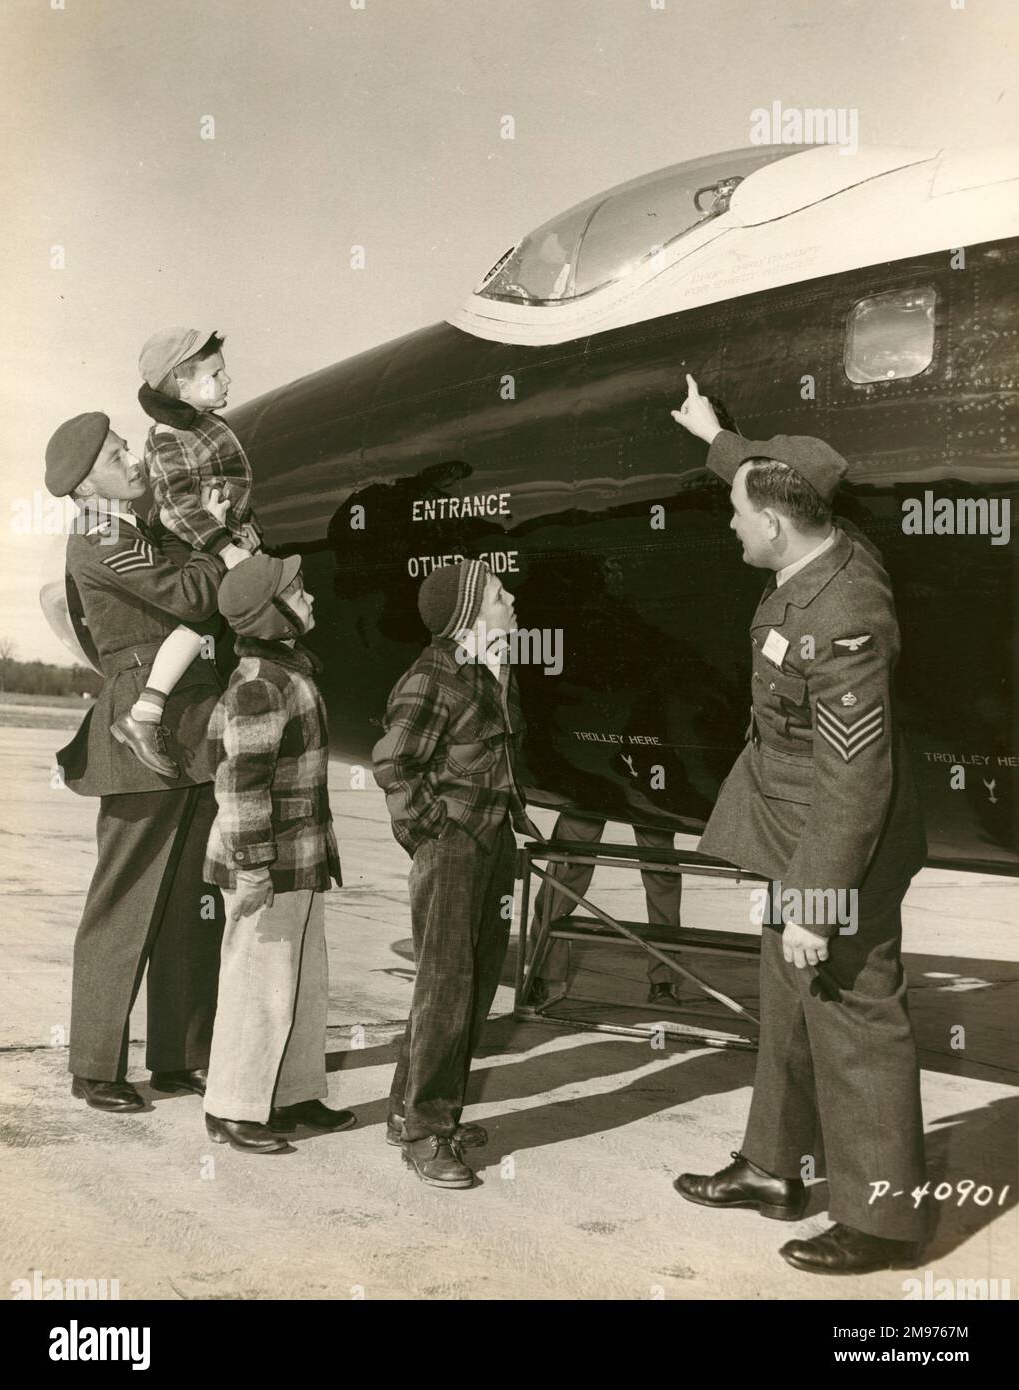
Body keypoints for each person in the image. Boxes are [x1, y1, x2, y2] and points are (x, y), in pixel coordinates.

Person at [669, 375, 929, 1275]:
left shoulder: (845, 618)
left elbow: (858, 780)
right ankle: (775, 1169)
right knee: (787, 1000)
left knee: (855, 1012)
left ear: (777, 527)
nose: (731, 523)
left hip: (839, 841)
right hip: (792, 824)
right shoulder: (821, 535)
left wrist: (818, 903)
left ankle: (885, 1220)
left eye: (738, 515)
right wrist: (718, 439)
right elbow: (761, 475)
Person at [45, 412, 233, 1113]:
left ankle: (180, 1056)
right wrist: (215, 542)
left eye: (128, 450)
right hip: (139, 735)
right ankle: (94, 1065)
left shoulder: (135, 531)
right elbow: (190, 596)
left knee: (191, 903)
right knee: (125, 901)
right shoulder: (100, 540)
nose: (135, 462)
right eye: (120, 455)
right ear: (87, 478)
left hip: (189, 729)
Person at [373, 559, 541, 1189]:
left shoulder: (495, 667)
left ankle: (405, 1108)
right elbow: (394, 764)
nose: (512, 598)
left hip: (492, 843)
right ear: (470, 614)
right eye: (500, 593)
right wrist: (433, 834)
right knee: (446, 986)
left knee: (470, 983)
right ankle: (427, 1132)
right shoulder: (432, 676)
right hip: (454, 848)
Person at [201, 554, 354, 1154]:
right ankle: (233, 1107)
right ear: (273, 616)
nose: (311, 595)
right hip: (266, 863)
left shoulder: (289, 672)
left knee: (302, 983)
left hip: (301, 861)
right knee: (257, 984)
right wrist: (255, 867)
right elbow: (240, 784)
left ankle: (292, 1094)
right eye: (299, 589)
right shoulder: (262, 685)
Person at [109, 328, 259, 778]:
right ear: (181, 384)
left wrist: (245, 530)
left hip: (217, 533)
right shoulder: (166, 436)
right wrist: (225, 547)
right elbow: (176, 507)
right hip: (188, 539)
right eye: (215, 374)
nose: (228, 380)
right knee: (198, 622)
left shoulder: (205, 423)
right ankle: (145, 713)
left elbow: (230, 491)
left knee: (217, 624)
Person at [527, 811, 685, 1009]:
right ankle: (541, 973)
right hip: (592, 789)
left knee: (662, 872)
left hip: (652, 789)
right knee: (567, 865)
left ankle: (664, 979)